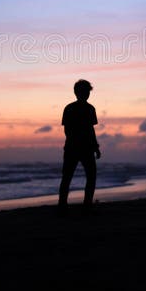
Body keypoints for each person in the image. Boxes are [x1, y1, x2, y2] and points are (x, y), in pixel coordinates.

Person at [58, 79, 101, 214]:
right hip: (76, 147)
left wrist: (96, 147)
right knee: (69, 177)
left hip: (81, 148)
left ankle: (84, 204)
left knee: (86, 176)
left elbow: (90, 130)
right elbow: (68, 130)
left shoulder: (88, 108)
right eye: (84, 92)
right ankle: (64, 205)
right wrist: (91, 146)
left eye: (87, 92)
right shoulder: (71, 108)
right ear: (77, 93)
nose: (86, 94)